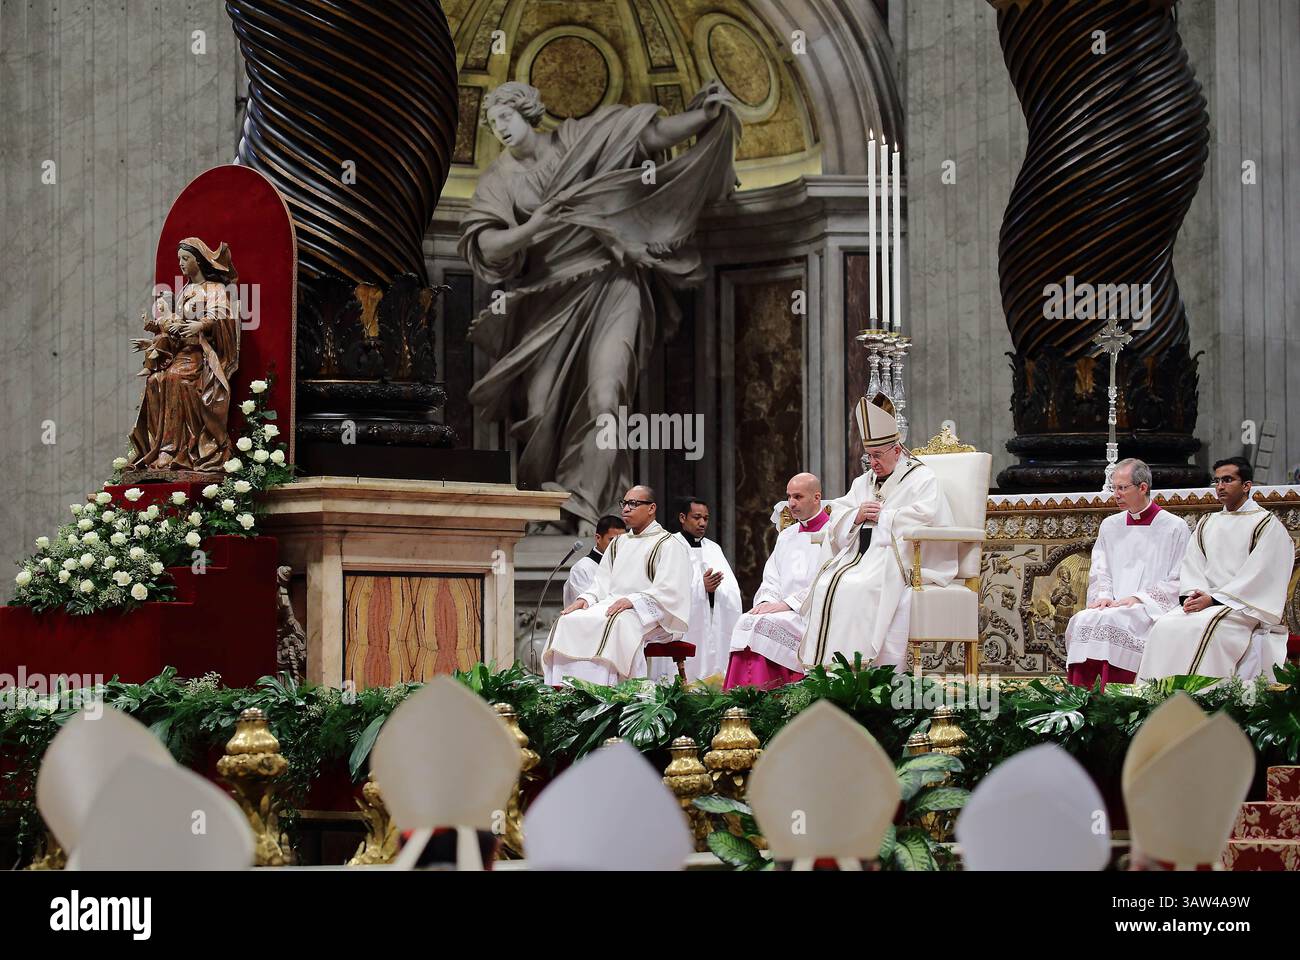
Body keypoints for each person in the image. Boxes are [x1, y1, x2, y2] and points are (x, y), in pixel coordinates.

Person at [459, 80, 739, 533]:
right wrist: (536, 228)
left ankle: (589, 509)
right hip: (546, 300)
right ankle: (552, 512)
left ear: (527, 111)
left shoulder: (577, 139)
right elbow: (488, 245)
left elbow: (645, 136)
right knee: (539, 414)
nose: (500, 129)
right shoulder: (498, 179)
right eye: (492, 124)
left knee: (607, 398)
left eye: (505, 117)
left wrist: (702, 118)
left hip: (613, 283)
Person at [799, 395, 957, 671]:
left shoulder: (922, 479)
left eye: (878, 456)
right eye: (869, 456)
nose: (872, 463)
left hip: (899, 558)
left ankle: (860, 669)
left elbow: (927, 516)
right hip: (861, 557)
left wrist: (885, 516)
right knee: (826, 583)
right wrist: (857, 514)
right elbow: (838, 511)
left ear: (897, 451)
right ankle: (827, 671)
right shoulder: (864, 481)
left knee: (857, 586)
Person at [1138, 457, 1295, 682]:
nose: (1220, 486)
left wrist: (1213, 600)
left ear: (1247, 486)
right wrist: (1195, 595)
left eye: (1228, 480)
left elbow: (1259, 575)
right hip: (1205, 601)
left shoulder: (1265, 524)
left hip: (1242, 607)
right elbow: (1193, 565)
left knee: (1206, 627)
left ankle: (1196, 700)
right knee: (1165, 625)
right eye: (1217, 480)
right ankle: (1152, 698)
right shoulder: (1207, 522)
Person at [542, 485, 692, 685]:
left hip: (655, 613)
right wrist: (584, 599)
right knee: (568, 620)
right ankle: (565, 691)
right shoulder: (618, 543)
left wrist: (632, 600)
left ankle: (610, 693)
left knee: (618, 623)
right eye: (625, 503)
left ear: (651, 508)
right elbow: (601, 583)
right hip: (616, 605)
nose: (626, 509)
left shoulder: (668, 544)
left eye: (634, 503)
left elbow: (670, 590)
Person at [1063, 458, 1190, 690]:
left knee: (1112, 621)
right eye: (1114, 488)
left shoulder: (1174, 527)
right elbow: (1101, 570)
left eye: (1122, 488)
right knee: (1083, 619)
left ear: (1143, 488)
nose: (1116, 495)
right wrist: (1103, 596)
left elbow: (1179, 578)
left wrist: (1140, 598)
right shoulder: (1110, 525)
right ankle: (1082, 698)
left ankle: (1115, 698)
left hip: (1150, 609)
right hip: (1113, 604)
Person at [128, 238, 239, 472]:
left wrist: (201, 326)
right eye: (179, 259)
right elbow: (173, 325)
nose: (180, 263)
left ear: (198, 261)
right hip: (180, 352)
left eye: (185, 258)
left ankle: (175, 450)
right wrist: (152, 340)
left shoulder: (215, 288)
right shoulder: (185, 291)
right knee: (155, 381)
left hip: (201, 356)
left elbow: (224, 316)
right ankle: (160, 448)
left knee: (173, 378)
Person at [723, 472, 827, 690]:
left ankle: (771, 695)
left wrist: (786, 605)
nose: (791, 503)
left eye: (798, 497)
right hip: (782, 610)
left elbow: (828, 580)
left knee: (766, 625)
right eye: (789, 497)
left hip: (811, 613)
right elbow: (771, 577)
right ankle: (738, 701)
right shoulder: (786, 536)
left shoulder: (833, 534)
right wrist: (765, 603)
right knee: (747, 621)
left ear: (816, 497)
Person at [670, 497, 743, 683]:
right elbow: (667, 588)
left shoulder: (714, 548)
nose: (702, 523)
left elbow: (732, 590)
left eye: (706, 518)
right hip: (687, 624)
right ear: (682, 517)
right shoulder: (670, 546)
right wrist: (700, 588)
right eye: (696, 517)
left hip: (713, 621)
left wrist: (712, 591)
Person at [563, 515, 627, 607]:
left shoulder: (626, 565)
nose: (618, 545)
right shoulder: (582, 568)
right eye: (612, 540)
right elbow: (583, 607)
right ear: (598, 538)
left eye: (622, 540)